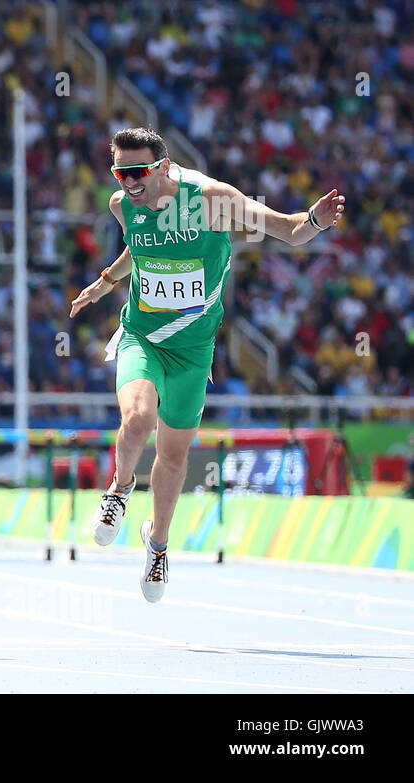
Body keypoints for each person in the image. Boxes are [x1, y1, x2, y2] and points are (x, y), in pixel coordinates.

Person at [69, 127, 344, 602]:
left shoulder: (210, 200)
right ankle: (117, 491)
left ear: (164, 166)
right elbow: (142, 243)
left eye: (139, 172)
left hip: (194, 351)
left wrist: (314, 222)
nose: (129, 182)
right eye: (121, 172)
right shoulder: (122, 204)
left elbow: (287, 230)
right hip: (142, 335)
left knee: (174, 456)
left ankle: (157, 545)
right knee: (137, 418)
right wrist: (106, 283)